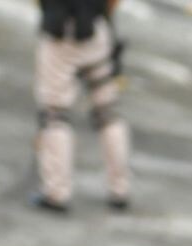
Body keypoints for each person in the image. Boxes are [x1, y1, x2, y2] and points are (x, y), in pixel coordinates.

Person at [32, 0, 131, 213]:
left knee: (54, 114)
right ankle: (120, 189)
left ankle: (56, 192)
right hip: (96, 31)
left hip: (61, 32)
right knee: (107, 112)